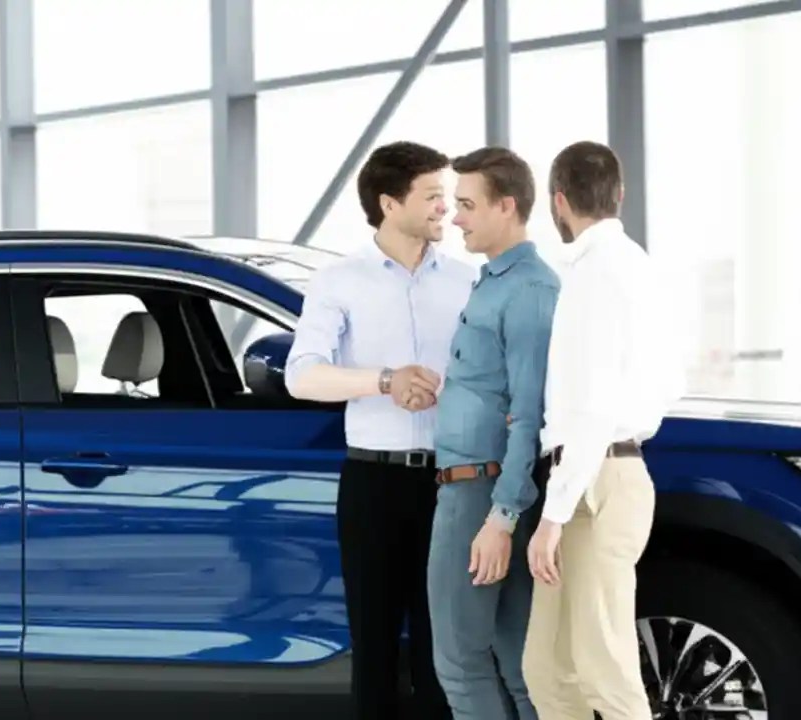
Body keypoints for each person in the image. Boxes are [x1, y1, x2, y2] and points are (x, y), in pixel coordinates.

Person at [285, 140, 475, 719]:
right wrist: (385, 381)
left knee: (446, 649)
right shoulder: (339, 282)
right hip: (374, 484)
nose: (447, 208)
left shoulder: (467, 281)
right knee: (373, 647)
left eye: (446, 196)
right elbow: (302, 376)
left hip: (453, 483)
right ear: (390, 204)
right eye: (433, 196)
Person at [522, 140, 686, 719]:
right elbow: (669, 381)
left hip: (595, 481)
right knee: (547, 666)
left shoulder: (595, 276)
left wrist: (553, 516)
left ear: (558, 202)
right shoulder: (641, 269)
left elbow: (591, 407)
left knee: (601, 663)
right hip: (608, 471)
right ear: (619, 194)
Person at [426, 147, 558, 719]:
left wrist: (500, 520)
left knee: (460, 663)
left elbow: (530, 411)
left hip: (481, 494)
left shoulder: (527, 289)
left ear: (507, 206)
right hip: (480, 486)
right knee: (518, 664)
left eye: (467, 205)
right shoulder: (496, 281)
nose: (456, 218)